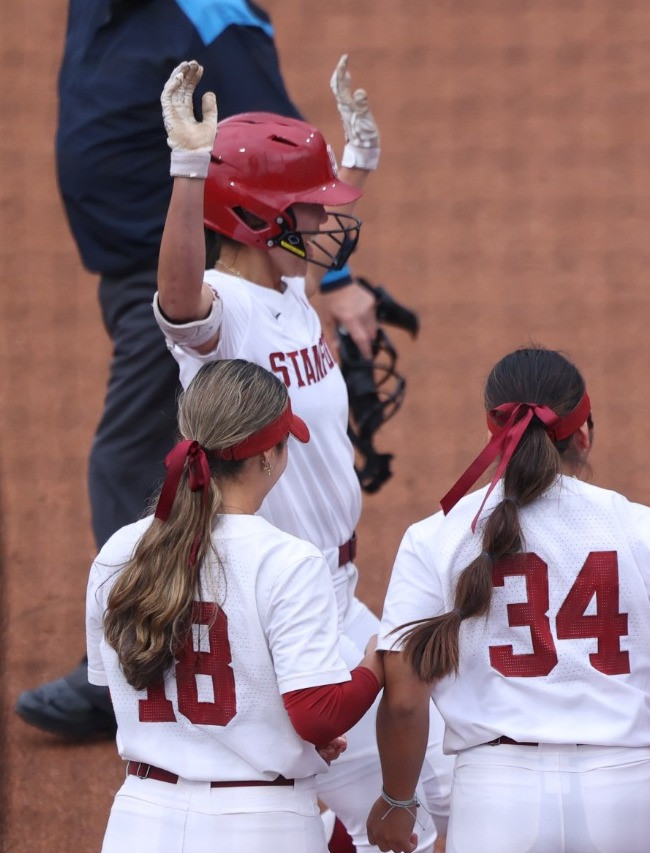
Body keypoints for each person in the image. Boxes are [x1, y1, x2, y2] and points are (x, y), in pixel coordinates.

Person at [20, 0, 376, 740]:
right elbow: (199, 291)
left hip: (316, 588)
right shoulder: (97, 8)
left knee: (126, 455)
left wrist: (337, 266)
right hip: (140, 272)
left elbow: (274, 158)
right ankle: (152, 636)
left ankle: (138, 646)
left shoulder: (267, 290)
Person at [154, 62, 450, 853]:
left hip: (335, 583)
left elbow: (302, 237)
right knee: (409, 792)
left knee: (434, 773)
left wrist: (356, 161)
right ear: (253, 222)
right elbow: (180, 299)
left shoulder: (285, 288)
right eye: (310, 208)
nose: (329, 222)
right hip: (284, 601)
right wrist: (189, 172)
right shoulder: (222, 319)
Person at [364, 346, 650, 853]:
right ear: (583, 433)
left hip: (495, 799)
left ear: (494, 435)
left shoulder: (433, 537)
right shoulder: (643, 527)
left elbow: (403, 702)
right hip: (622, 795)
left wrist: (398, 801)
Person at [87, 359, 385, 852]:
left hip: (140, 822)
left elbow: (117, 687)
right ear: (268, 456)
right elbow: (318, 715)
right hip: (259, 826)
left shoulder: (120, 550)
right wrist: (378, 658)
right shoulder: (287, 559)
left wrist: (270, 731)